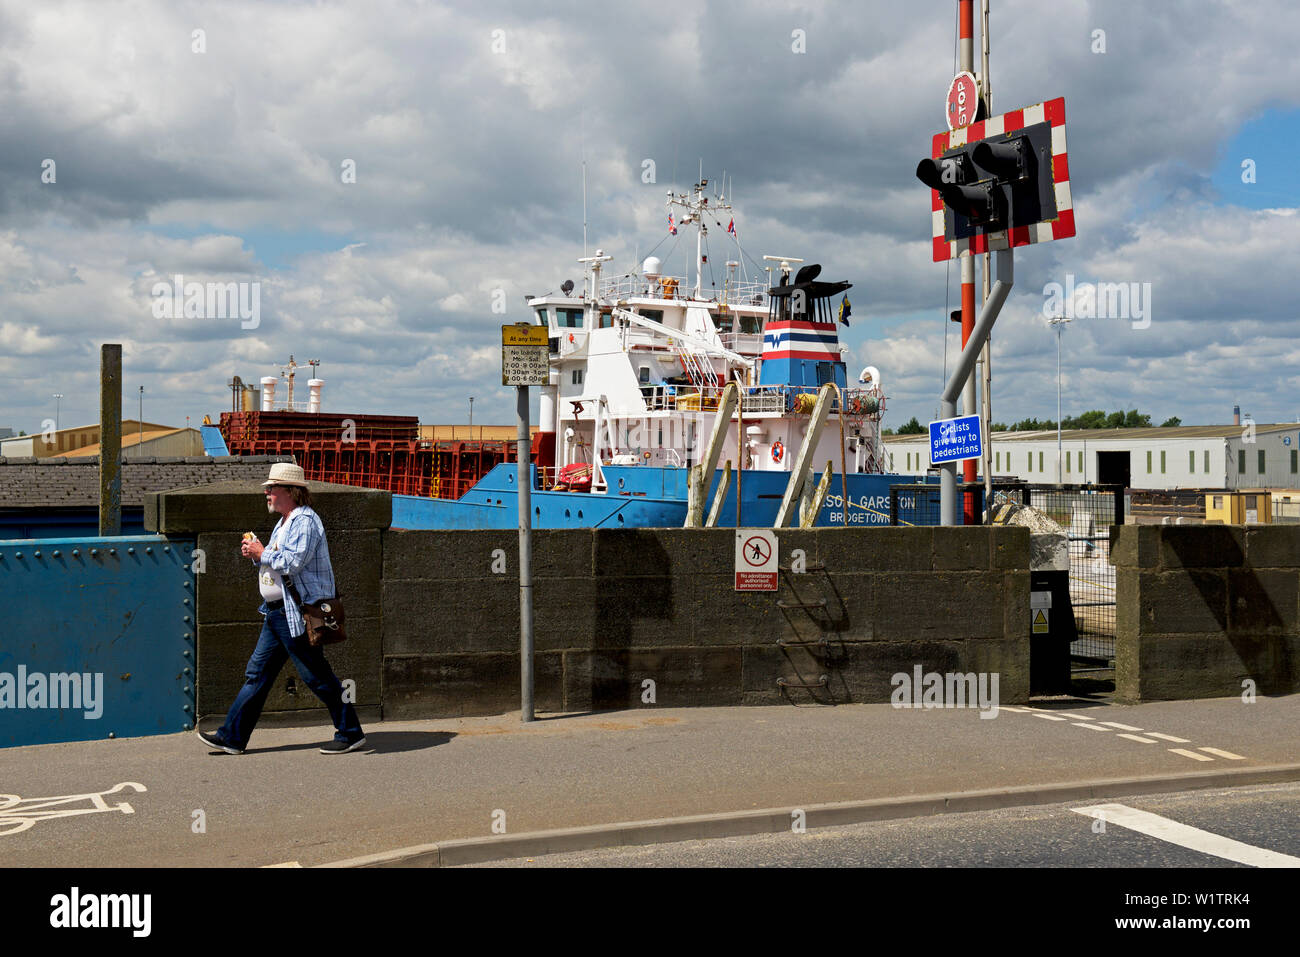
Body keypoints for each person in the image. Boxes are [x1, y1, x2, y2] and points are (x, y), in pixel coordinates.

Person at [196, 463, 366, 755]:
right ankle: (232, 737)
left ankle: (350, 733)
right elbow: (274, 561)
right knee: (257, 674)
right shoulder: (285, 520)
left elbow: (293, 562)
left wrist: (263, 552)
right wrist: (256, 553)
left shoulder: (305, 521)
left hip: (295, 613)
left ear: (290, 491)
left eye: (272, 488)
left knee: (316, 676)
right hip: (276, 612)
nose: (267, 492)